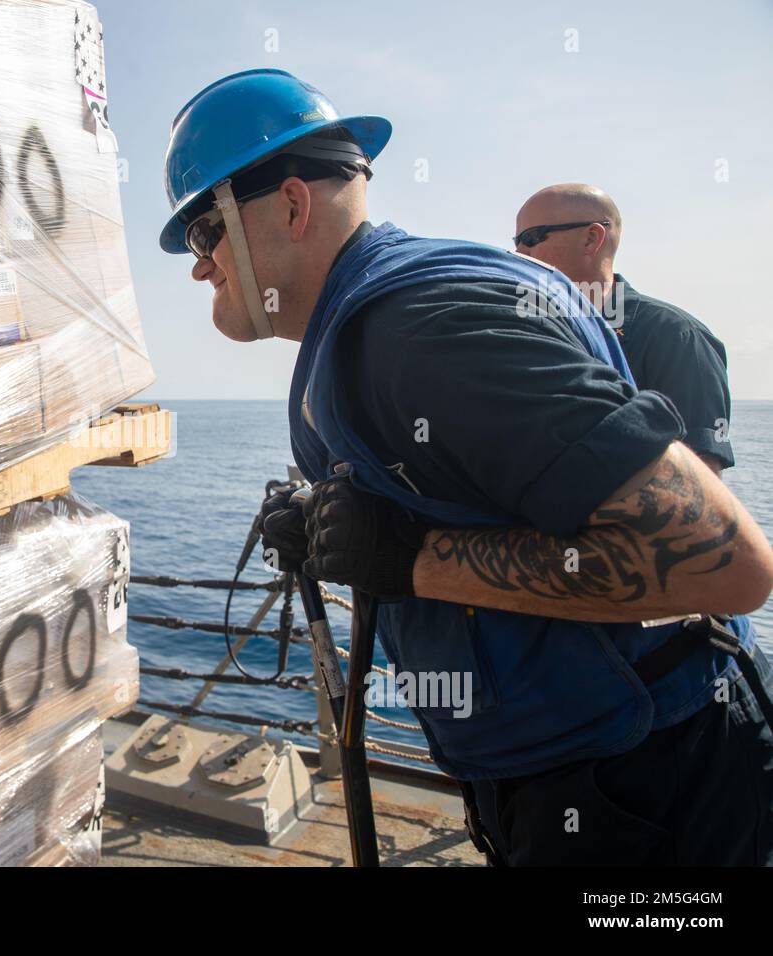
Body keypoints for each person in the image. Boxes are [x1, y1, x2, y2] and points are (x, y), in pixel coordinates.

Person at [159, 68, 773, 865]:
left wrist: (410, 559)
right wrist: (331, 523)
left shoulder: (423, 332)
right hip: (571, 769)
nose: (199, 266)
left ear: (290, 204)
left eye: (204, 233)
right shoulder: (376, 318)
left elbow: (728, 566)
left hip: (653, 783)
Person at [514, 184, 734, 474]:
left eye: (531, 238)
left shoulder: (677, 337)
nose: (518, 252)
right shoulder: (530, 331)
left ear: (591, 238)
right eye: (516, 241)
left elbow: (701, 475)